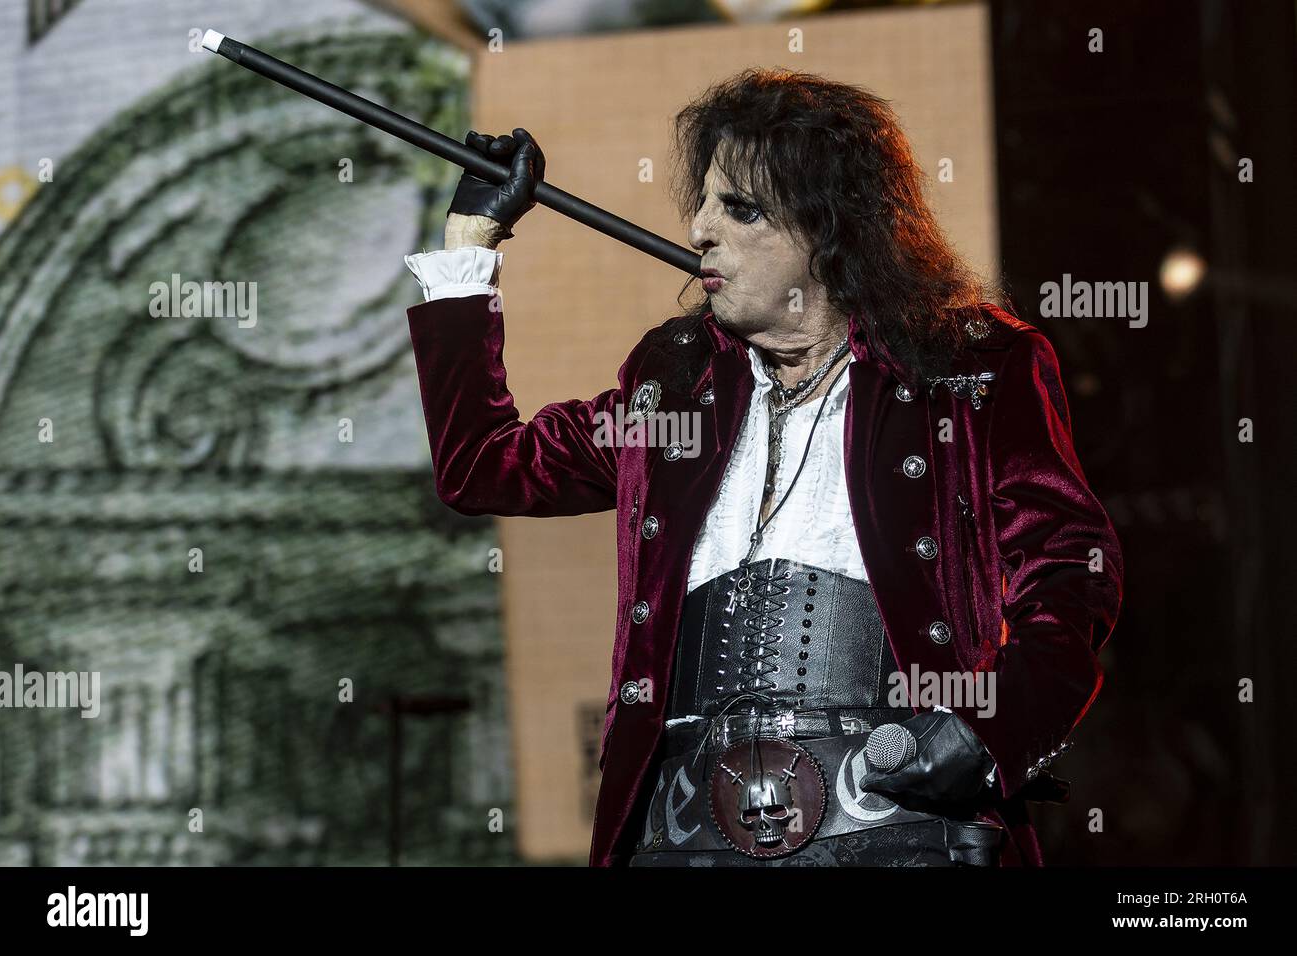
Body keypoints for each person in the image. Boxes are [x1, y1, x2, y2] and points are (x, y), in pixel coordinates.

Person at [403, 68, 1123, 866]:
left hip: (903, 832)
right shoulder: (672, 384)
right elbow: (483, 468)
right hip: (682, 840)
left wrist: (987, 730)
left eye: (739, 208)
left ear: (830, 228)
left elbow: (1068, 575)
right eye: (703, 204)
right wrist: (469, 245)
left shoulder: (971, 370)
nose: (701, 229)